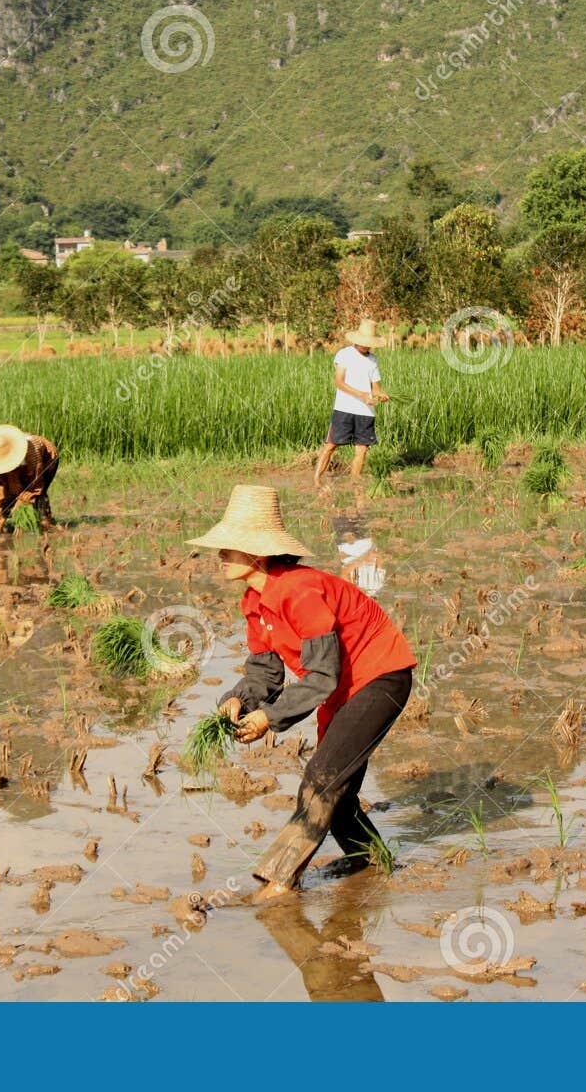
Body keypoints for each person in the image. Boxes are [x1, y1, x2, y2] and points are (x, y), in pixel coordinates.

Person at [187, 484, 415, 900]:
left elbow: (322, 675)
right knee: (339, 797)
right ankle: (377, 865)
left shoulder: (299, 591)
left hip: (380, 677)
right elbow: (264, 674)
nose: (219, 555)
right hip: (343, 691)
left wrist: (270, 719)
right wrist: (240, 700)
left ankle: (279, 879)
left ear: (256, 554)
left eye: (227, 547)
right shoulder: (255, 603)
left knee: (321, 779)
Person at [312, 320, 390, 486]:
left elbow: (375, 388)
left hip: (366, 412)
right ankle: (317, 481)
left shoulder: (374, 360)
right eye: (363, 343)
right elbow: (339, 382)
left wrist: (380, 395)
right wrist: (361, 394)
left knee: (362, 449)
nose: (366, 346)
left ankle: (355, 483)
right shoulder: (344, 354)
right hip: (344, 409)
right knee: (331, 445)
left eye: (369, 344)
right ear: (357, 340)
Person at [0, 424, 58, 533]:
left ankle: (45, 523)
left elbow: (33, 488)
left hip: (47, 459)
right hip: (23, 463)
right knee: (9, 492)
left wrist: (19, 515)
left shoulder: (33, 457)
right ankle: (7, 518)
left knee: (38, 494)